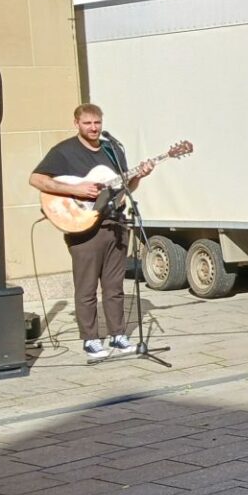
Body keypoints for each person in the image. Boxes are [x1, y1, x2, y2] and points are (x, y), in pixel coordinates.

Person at [29, 103, 155, 360]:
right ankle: (90, 339)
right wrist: (75, 190)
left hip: (115, 224)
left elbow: (125, 189)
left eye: (97, 122)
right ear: (77, 123)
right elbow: (36, 179)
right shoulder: (64, 151)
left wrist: (139, 176)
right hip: (82, 227)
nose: (94, 128)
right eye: (87, 123)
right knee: (86, 287)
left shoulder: (113, 150)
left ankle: (118, 335)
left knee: (114, 285)